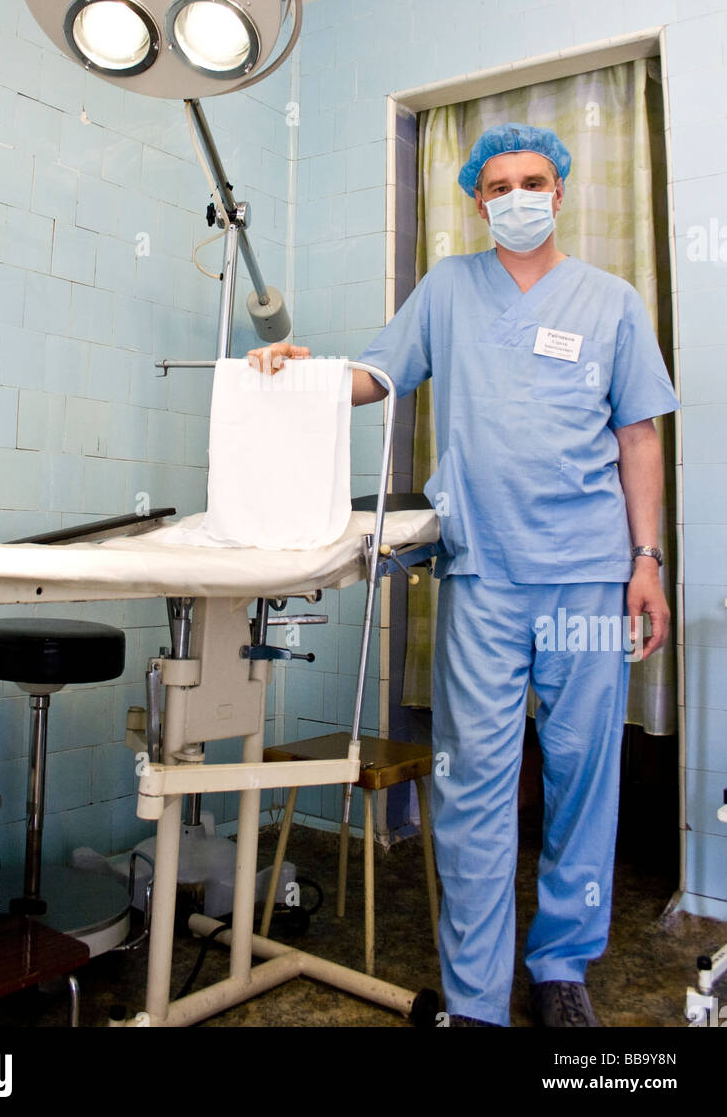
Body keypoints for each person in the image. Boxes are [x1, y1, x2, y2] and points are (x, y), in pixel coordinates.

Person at [248, 121, 679, 1028]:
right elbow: (378, 374)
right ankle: (478, 998)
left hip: (592, 578)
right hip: (483, 575)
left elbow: (639, 435)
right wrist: (305, 372)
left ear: (559, 191)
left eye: (533, 181)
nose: (518, 196)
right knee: (475, 783)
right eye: (498, 186)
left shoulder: (611, 302)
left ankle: (562, 967)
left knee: (581, 773)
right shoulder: (448, 290)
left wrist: (647, 561)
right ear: (478, 201)